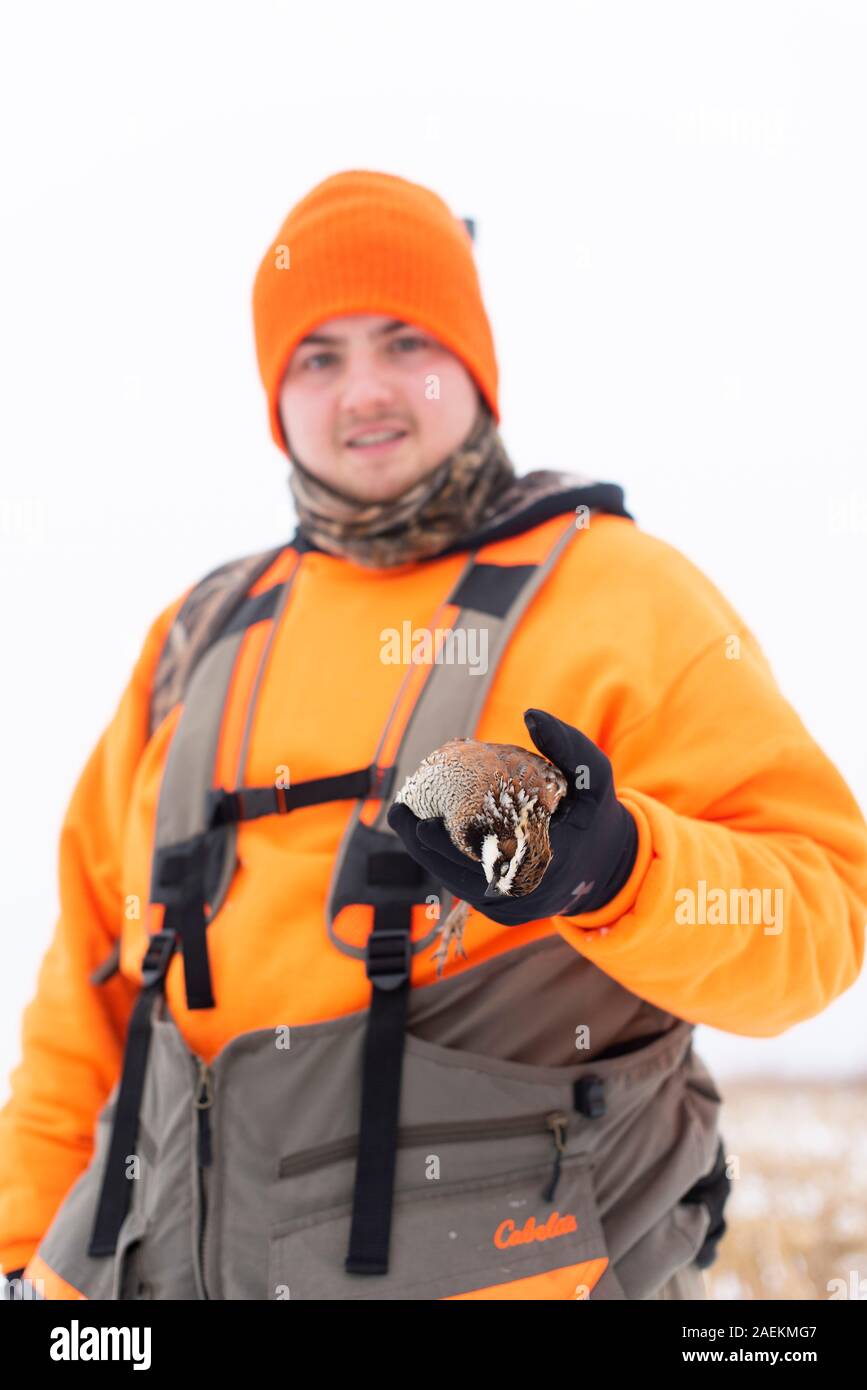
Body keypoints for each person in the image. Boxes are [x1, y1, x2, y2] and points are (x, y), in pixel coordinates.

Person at [1, 169, 865, 1302]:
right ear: (277, 391)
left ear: (473, 362)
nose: (365, 390)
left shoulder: (625, 600)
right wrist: (24, 1256)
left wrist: (618, 868)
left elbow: (820, 914)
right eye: (320, 354)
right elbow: (90, 989)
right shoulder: (197, 637)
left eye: (406, 339)